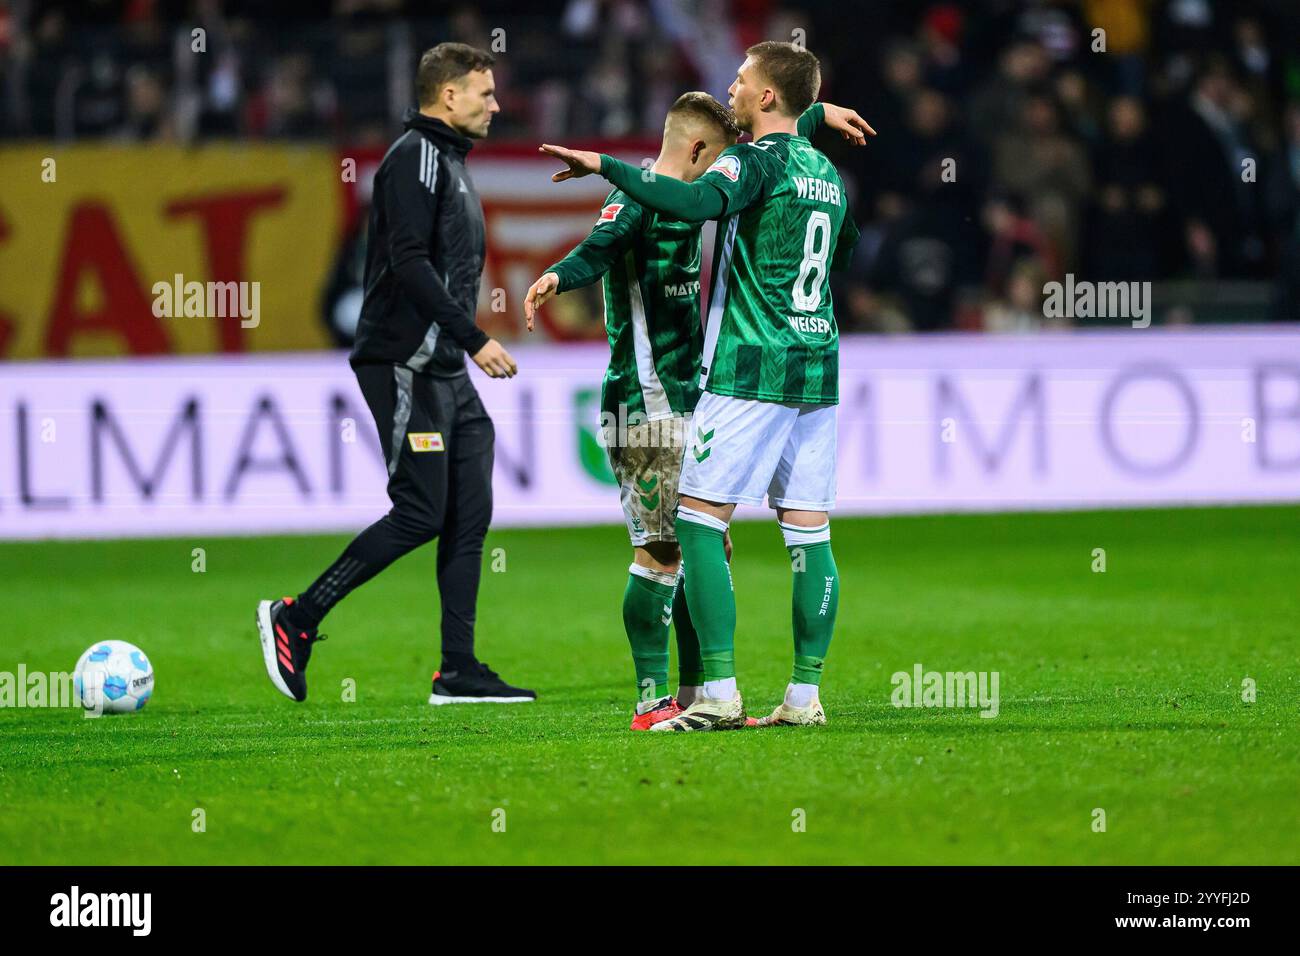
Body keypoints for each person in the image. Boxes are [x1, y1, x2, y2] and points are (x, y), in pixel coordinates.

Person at [540, 42, 865, 731]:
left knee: (695, 524)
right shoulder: (828, 175)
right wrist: (815, 119)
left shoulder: (746, 163)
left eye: (743, 80)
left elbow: (693, 199)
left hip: (752, 367)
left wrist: (603, 161)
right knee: (808, 535)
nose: (733, 85)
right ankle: (803, 697)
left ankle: (714, 693)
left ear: (767, 97)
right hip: (819, 366)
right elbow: (850, 244)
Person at [255, 43, 534, 706]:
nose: (496, 105)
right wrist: (474, 339)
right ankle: (297, 615)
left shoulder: (452, 163)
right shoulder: (416, 158)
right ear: (448, 97)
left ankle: (458, 669)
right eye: (484, 93)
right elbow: (409, 264)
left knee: (469, 510)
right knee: (419, 510)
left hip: (440, 366)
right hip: (403, 359)